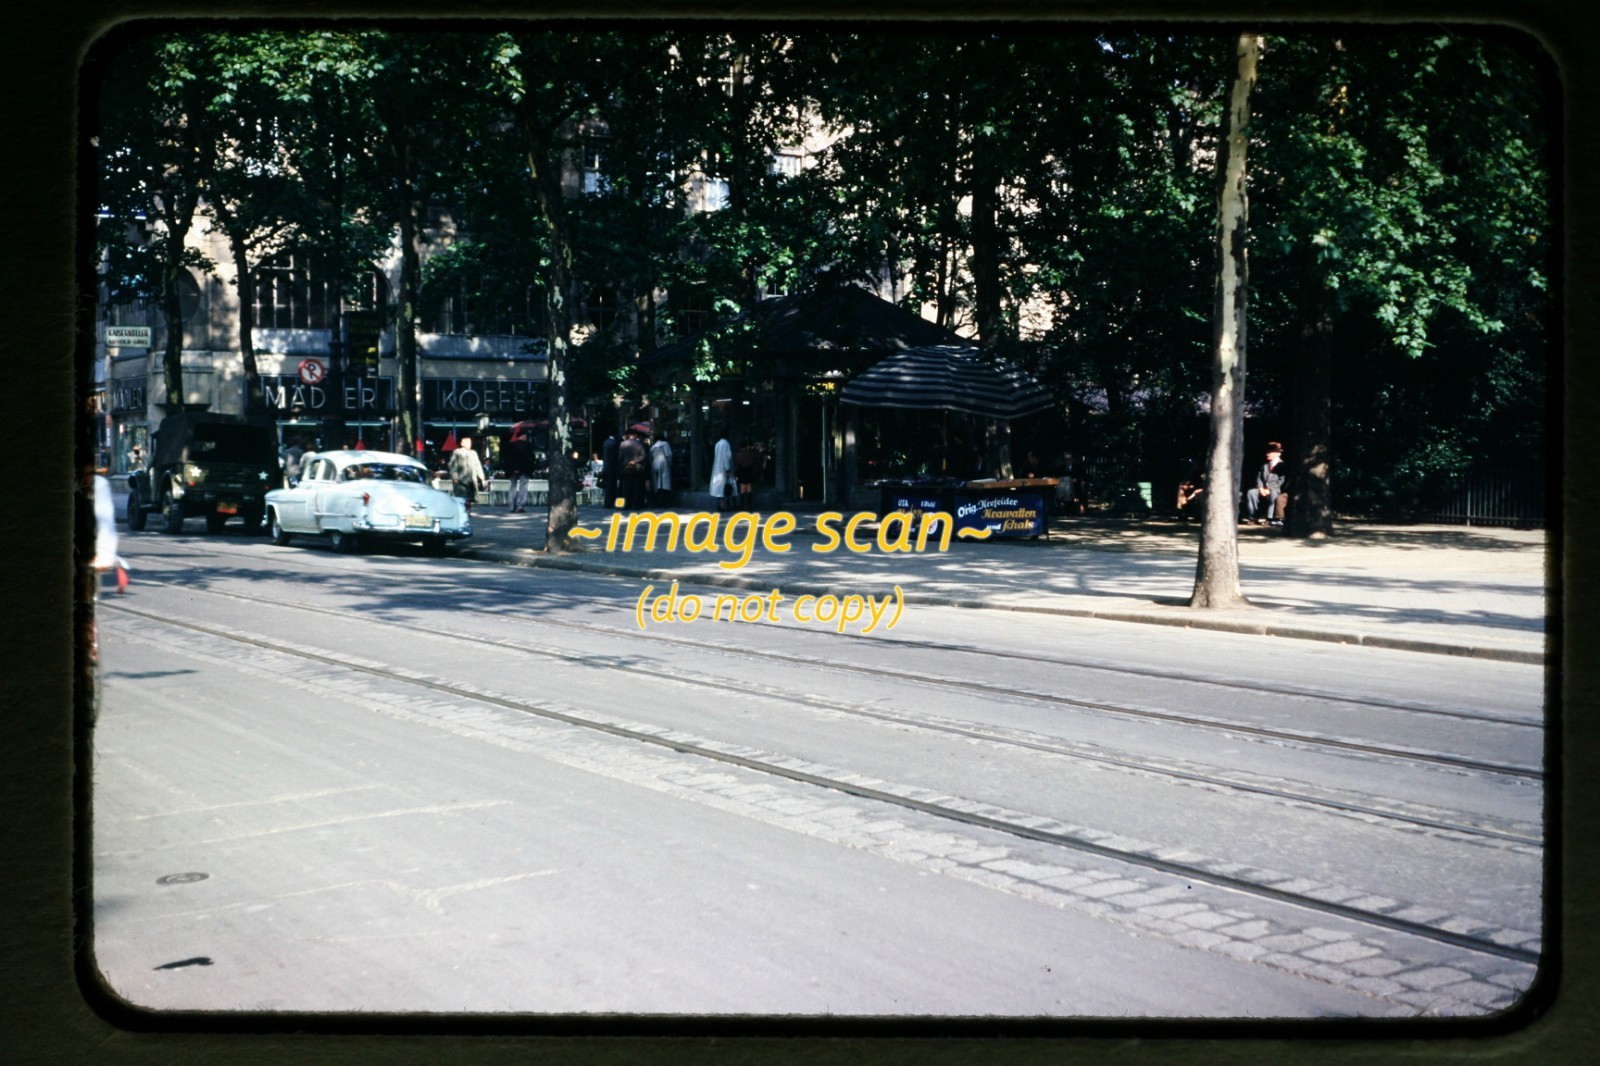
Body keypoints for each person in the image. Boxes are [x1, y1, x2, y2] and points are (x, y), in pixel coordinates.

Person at [1245, 442, 1289, 526]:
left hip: (1275, 489)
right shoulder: (1265, 465)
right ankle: (1253, 517)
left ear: (1277, 454)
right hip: (1263, 489)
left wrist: (1270, 489)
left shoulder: (1283, 465)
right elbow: (1259, 478)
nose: (1267, 454)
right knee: (1251, 492)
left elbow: (1282, 480)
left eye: (1270, 452)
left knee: (1273, 494)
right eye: (1267, 452)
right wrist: (1261, 488)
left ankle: (1270, 518)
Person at [449, 435, 487, 511]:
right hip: (461, 479)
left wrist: (481, 475)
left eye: (470, 443)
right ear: (462, 443)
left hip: (471, 478)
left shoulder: (473, 453)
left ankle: (468, 510)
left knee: (470, 496)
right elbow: (453, 465)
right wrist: (455, 477)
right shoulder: (457, 452)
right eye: (467, 443)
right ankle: (461, 511)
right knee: (461, 496)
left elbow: (477, 464)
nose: (469, 444)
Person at [618, 429, 648, 510]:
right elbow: (643, 456)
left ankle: (627, 504)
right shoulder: (639, 444)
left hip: (626, 467)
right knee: (636, 487)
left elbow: (620, 457)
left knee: (626, 487)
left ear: (628, 435)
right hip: (637, 468)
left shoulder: (623, 444)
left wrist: (621, 466)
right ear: (635, 435)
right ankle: (635, 505)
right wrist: (635, 461)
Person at [505, 431, 534, 513]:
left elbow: (508, 458)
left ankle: (511, 506)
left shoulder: (511, 445)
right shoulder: (528, 446)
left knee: (512, 487)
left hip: (512, 470)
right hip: (524, 470)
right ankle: (520, 506)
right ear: (523, 436)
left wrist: (513, 468)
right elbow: (531, 458)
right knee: (523, 487)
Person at [734, 439, 765, 511]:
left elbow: (736, 464)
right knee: (749, 488)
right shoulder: (751, 454)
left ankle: (742, 506)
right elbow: (757, 459)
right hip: (749, 471)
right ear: (747, 446)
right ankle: (749, 506)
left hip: (741, 472)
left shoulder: (738, 455)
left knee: (742, 489)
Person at [710, 432, 736, 511]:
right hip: (723, 469)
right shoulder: (726, 444)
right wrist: (728, 468)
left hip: (717, 468)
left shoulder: (717, 444)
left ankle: (720, 504)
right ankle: (724, 505)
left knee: (719, 488)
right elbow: (726, 457)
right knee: (724, 488)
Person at [649, 433, 673, 506]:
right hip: (663, 462)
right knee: (664, 483)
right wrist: (670, 463)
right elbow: (668, 455)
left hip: (654, 463)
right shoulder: (665, 444)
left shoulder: (652, 447)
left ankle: (658, 500)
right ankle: (665, 501)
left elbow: (650, 457)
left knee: (657, 483)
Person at [601, 432, 621, 508]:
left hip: (607, 467)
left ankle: (608, 503)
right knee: (612, 486)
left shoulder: (606, 442)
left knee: (608, 486)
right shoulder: (614, 443)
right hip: (612, 467)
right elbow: (614, 457)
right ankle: (611, 503)